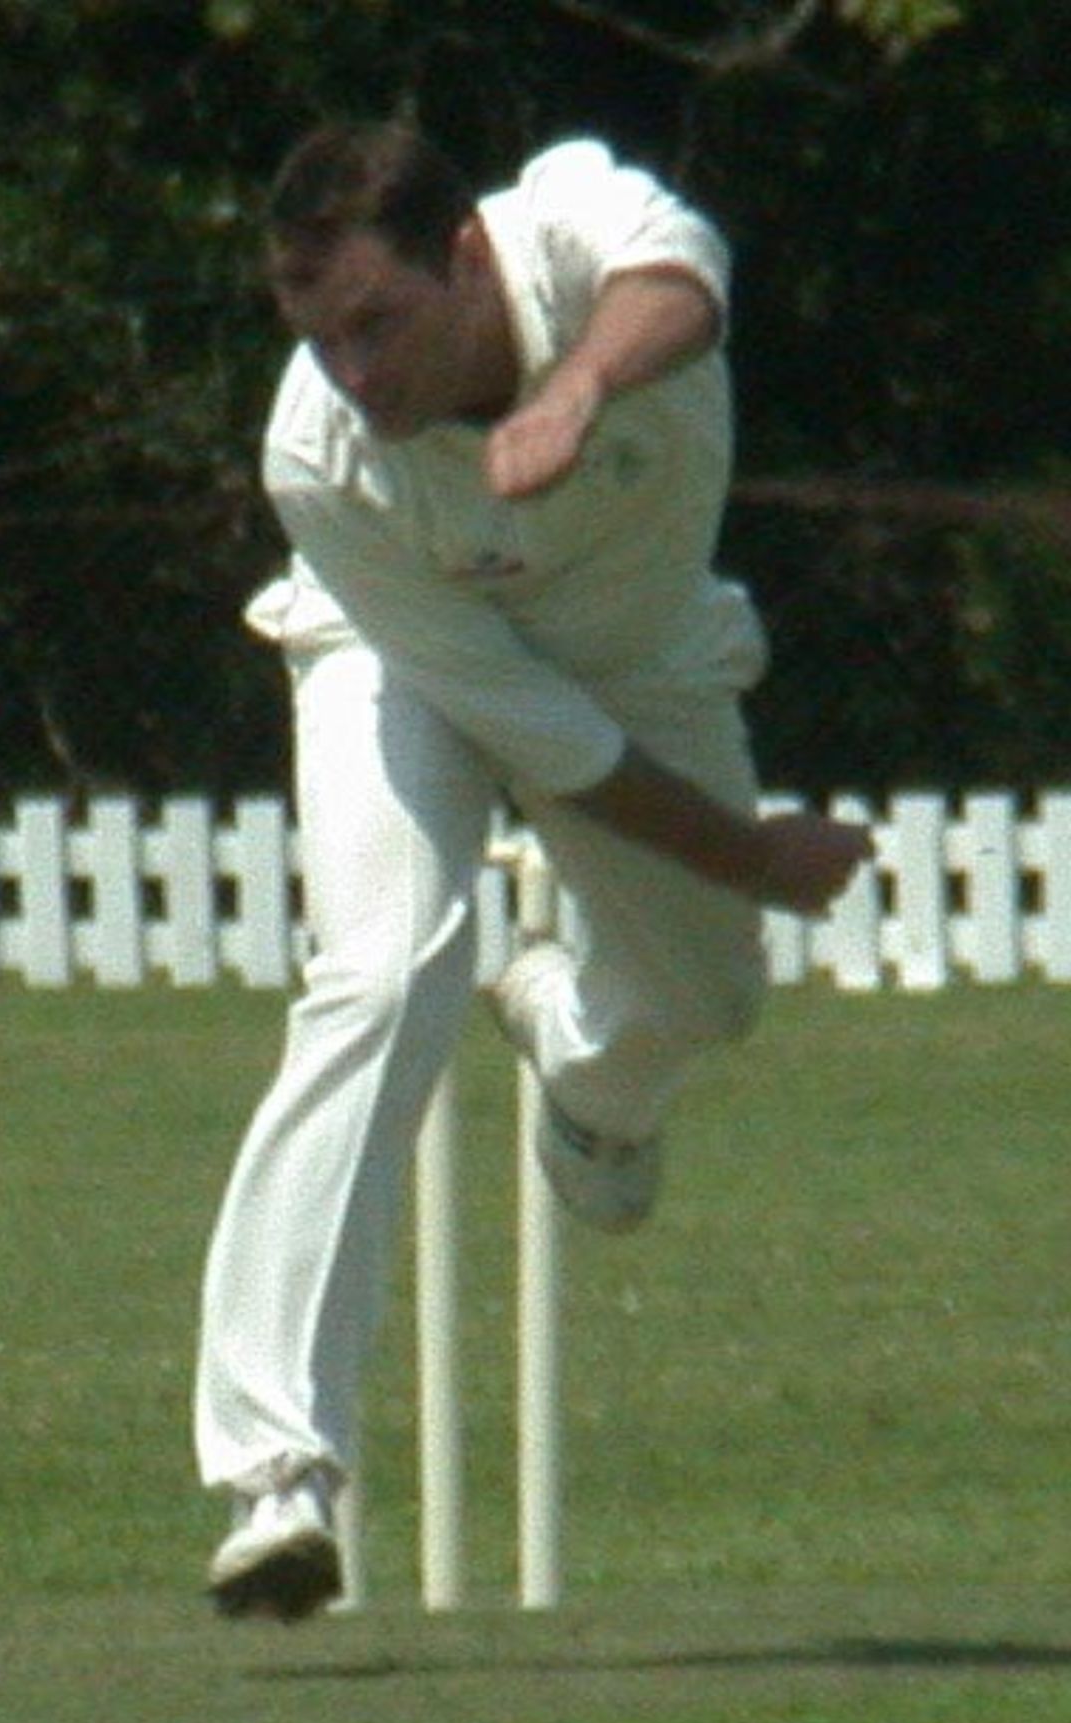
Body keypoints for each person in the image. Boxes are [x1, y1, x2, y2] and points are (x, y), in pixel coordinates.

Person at [194, 119, 873, 1623]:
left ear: (468, 253)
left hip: (637, 652)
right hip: (409, 659)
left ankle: (575, 1060)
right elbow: (545, 744)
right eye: (319, 336)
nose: (355, 374)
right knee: (385, 969)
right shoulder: (319, 453)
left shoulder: (569, 216)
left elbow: (687, 283)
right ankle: (276, 1478)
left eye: (377, 323)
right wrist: (753, 853)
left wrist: (575, 390)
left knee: (707, 1001)